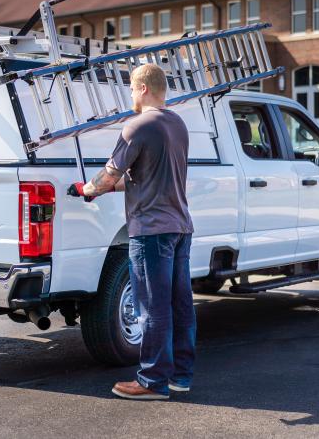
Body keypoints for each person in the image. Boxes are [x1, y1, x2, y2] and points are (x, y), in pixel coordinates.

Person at [68, 63, 195, 401]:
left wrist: (87, 190)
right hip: (180, 227)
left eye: (130, 89)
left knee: (152, 307)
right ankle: (180, 377)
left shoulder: (137, 126)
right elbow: (145, 177)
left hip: (151, 230)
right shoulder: (178, 124)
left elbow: (109, 176)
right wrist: (108, 188)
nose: (130, 95)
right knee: (179, 305)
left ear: (142, 89)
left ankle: (152, 382)